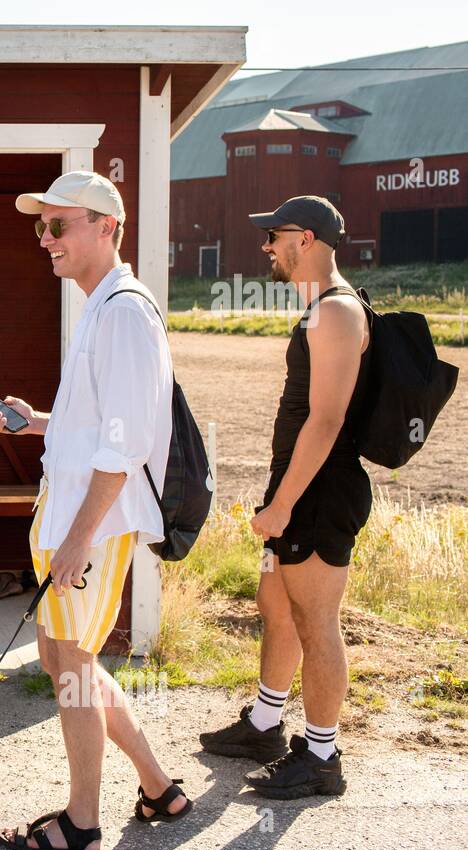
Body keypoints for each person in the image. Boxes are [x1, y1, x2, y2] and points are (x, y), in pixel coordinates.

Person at [0, 171, 191, 850]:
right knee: (59, 656)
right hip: (71, 516)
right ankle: (158, 786)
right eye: (40, 226)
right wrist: (37, 420)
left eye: (58, 224)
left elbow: (125, 447)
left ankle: (81, 824)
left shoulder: (125, 312)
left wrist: (78, 539)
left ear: (107, 227)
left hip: (90, 527)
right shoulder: (101, 306)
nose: (45, 238)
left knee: (72, 663)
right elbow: (100, 424)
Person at [200, 197, 368, 800]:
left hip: (319, 492)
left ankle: (321, 758)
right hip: (297, 486)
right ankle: (266, 725)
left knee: (316, 620)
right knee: (276, 602)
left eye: (275, 235)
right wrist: (280, 496)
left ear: (308, 238)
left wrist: (282, 505)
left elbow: (326, 421)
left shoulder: (338, 312)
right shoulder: (320, 309)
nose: (267, 245)